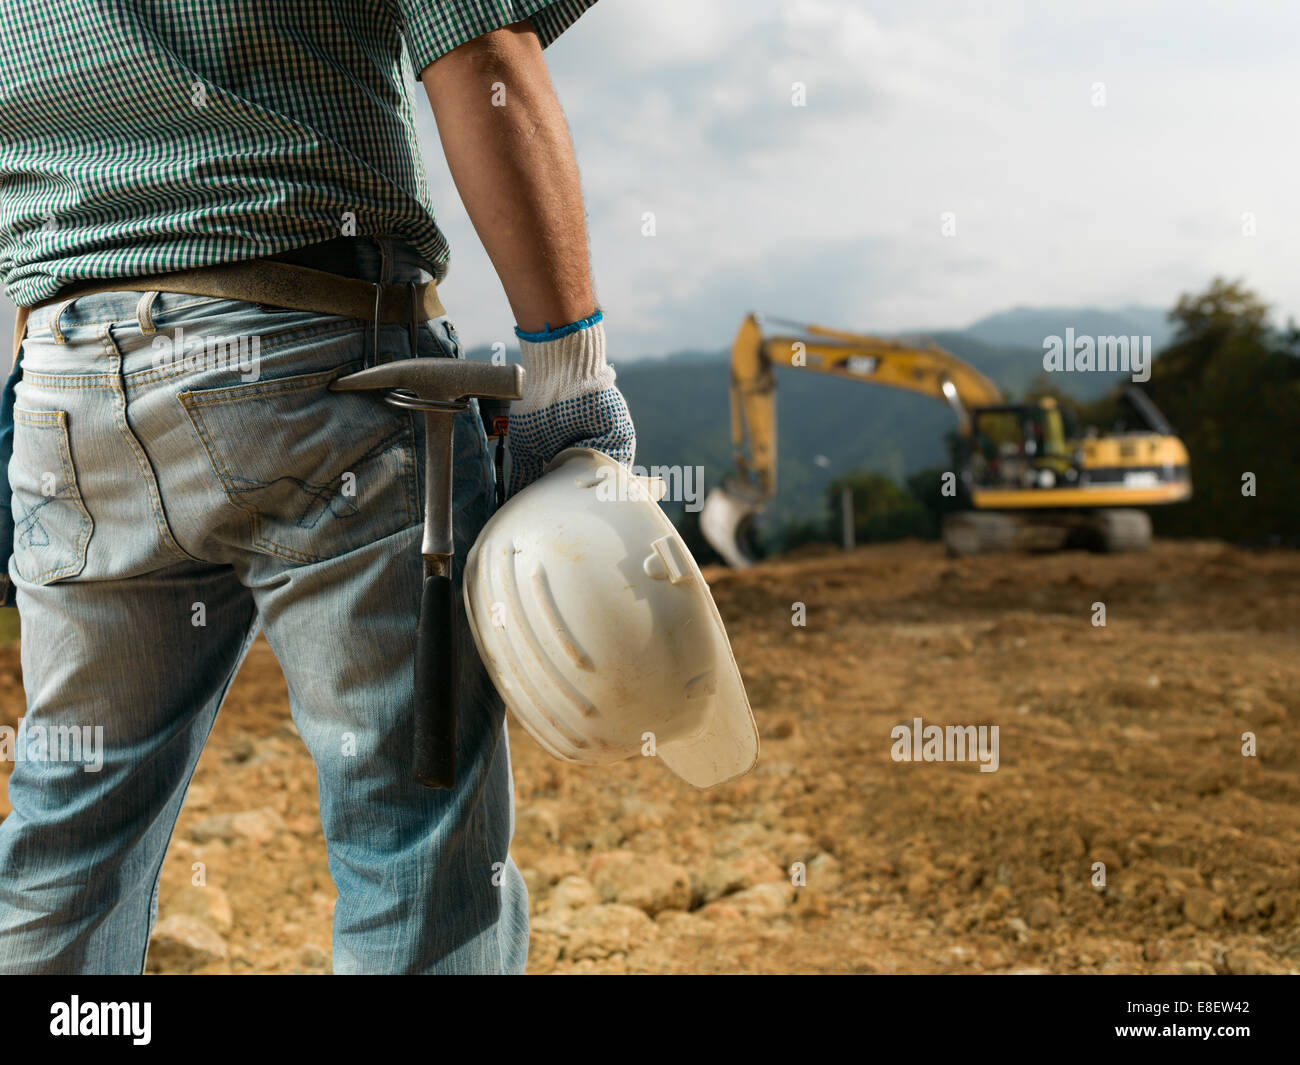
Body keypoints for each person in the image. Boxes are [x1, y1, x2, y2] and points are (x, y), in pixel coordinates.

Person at [0, 1, 633, 975]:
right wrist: (570, 371)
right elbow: (481, 53)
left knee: (68, 827)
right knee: (410, 838)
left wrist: (43, 381)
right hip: (319, 358)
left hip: (69, 376)